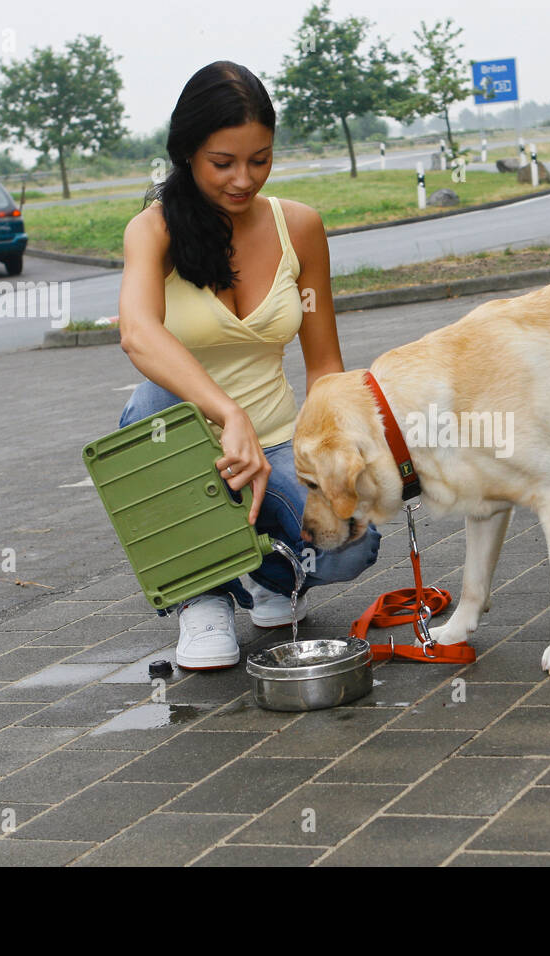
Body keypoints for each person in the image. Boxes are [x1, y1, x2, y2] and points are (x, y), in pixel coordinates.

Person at [116, 60, 381, 670]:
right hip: (181, 433)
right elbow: (137, 332)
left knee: (349, 547)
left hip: (275, 439)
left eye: (259, 159)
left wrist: (343, 450)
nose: (243, 179)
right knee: (154, 406)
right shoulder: (151, 232)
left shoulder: (300, 228)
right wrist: (226, 412)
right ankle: (200, 593)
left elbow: (325, 368)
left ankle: (257, 577)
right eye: (223, 163)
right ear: (187, 154)